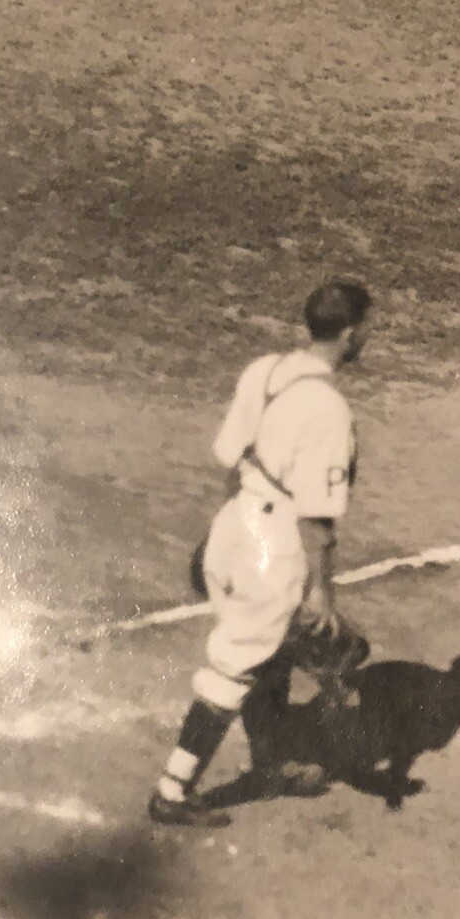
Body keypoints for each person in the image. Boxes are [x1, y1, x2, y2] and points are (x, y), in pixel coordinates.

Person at [149, 279, 371, 828]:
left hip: (234, 523)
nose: (370, 336)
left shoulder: (264, 371)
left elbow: (233, 455)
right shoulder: (329, 409)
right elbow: (318, 516)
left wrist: (220, 535)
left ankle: (272, 762)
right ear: (348, 333)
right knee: (234, 668)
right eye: (368, 327)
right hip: (274, 546)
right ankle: (172, 792)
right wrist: (321, 590)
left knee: (266, 658)